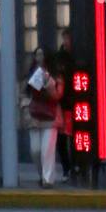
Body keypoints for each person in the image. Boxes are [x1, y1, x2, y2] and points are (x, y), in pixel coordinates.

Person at [21, 47, 64, 188]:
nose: (39, 57)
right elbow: (23, 95)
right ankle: (42, 175)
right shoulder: (30, 75)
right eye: (37, 54)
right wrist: (26, 111)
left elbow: (57, 95)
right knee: (35, 150)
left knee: (48, 149)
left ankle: (48, 179)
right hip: (34, 116)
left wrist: (49, 84)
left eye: (42, 54)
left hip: (50, 116)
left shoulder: (55, 75)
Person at [56, 28, 76, 181]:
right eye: (65, 39)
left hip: (73, 102)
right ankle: (66, 167)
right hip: (62, 104)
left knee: (75, 136)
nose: (66, 42)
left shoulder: (74, 57)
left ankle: (75, 165)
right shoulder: (60, 59)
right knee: (62, 138)